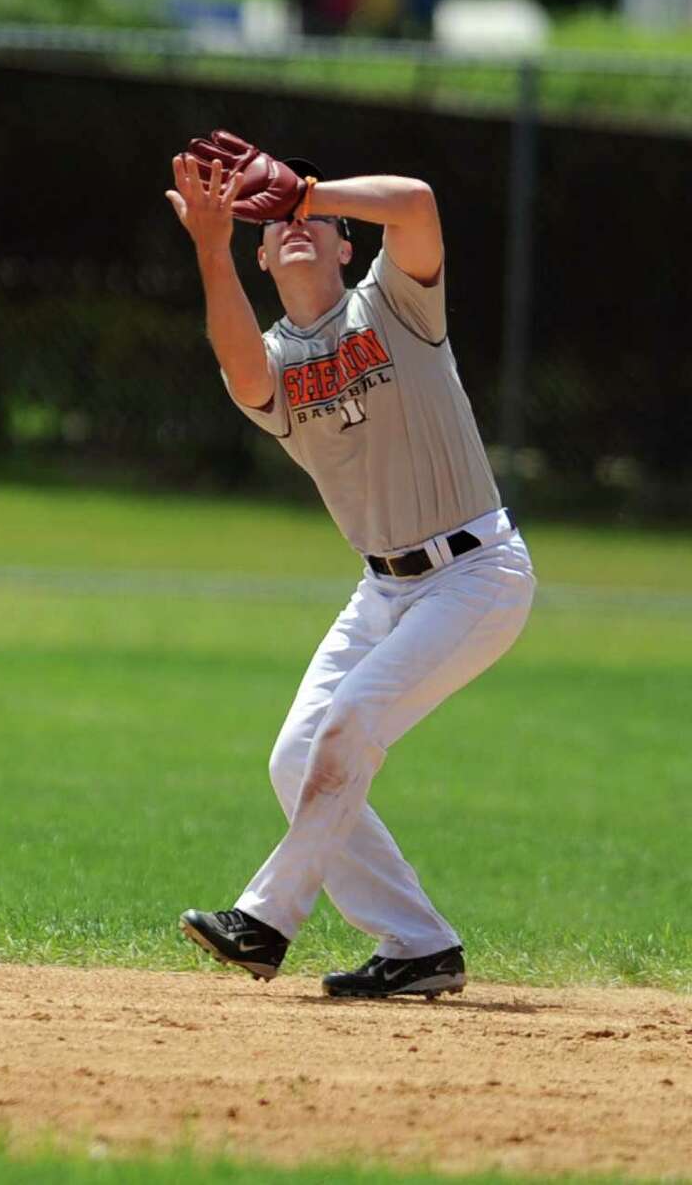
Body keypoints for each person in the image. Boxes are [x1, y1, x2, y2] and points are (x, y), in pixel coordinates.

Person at [165, 142, 536, 1000]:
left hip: (477, 574)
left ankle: (264, 919)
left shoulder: (396, 303)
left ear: (345, 246)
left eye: (319, 224)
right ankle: (417, 945)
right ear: (263, 254)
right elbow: (235, 361)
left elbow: (416, 201)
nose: (299, 225)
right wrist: (213, 247)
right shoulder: (278, 368)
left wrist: (304, 189)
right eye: (282, 226)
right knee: (297, 756)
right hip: (385, 587)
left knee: (351, 723)